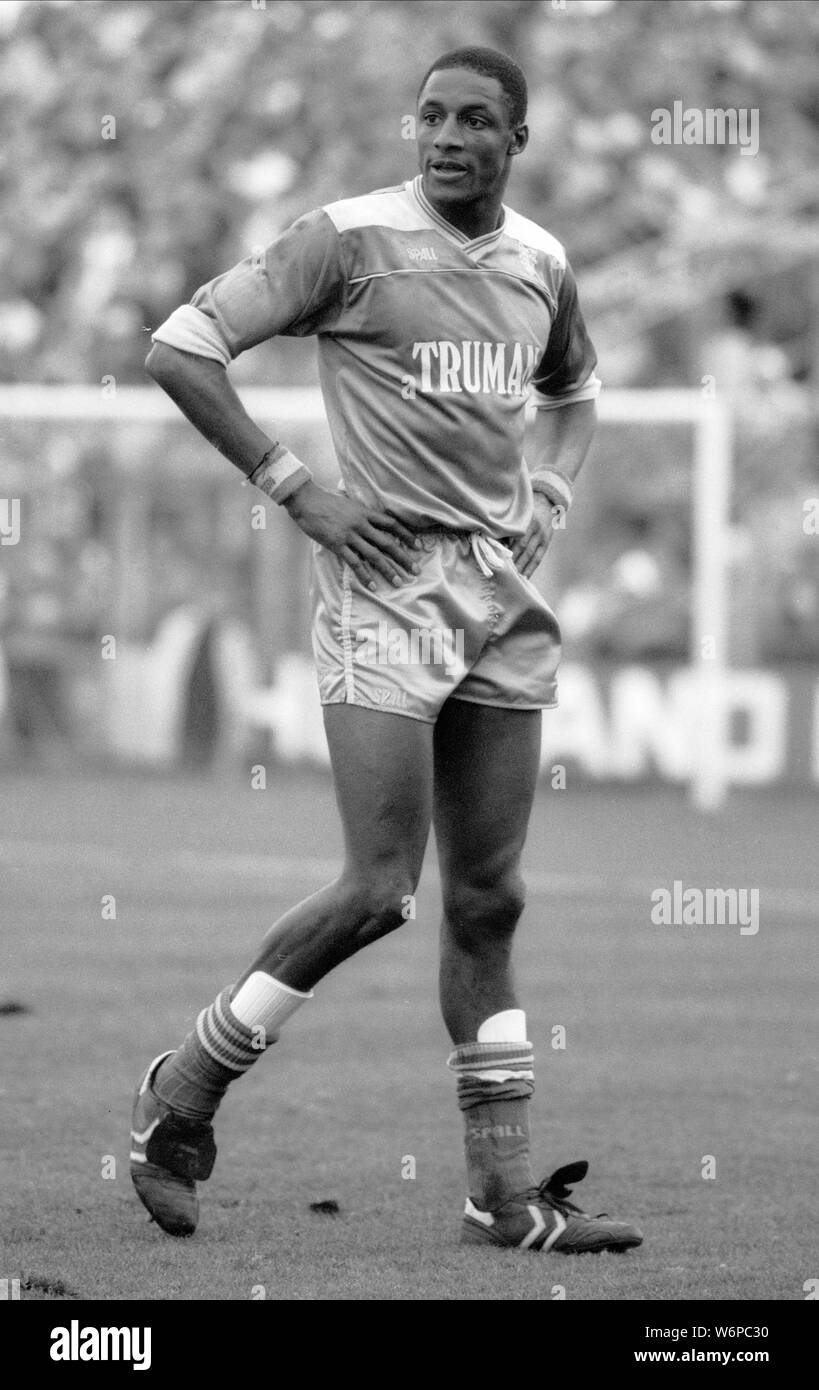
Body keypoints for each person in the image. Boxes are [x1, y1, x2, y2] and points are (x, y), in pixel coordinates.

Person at [132, 46, 642, 1256]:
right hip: (382, 593)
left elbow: (576, 394)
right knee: (379, 889)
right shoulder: (345, 240)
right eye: (431, 115)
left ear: (518, 140)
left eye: (476, 121)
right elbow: (178, 346)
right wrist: (295, 486)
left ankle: (502, 1196)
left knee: (489, 897)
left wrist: (554, 495)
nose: (448, 136)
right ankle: (181, 1095)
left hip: (500, 601)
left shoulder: (542, 264)